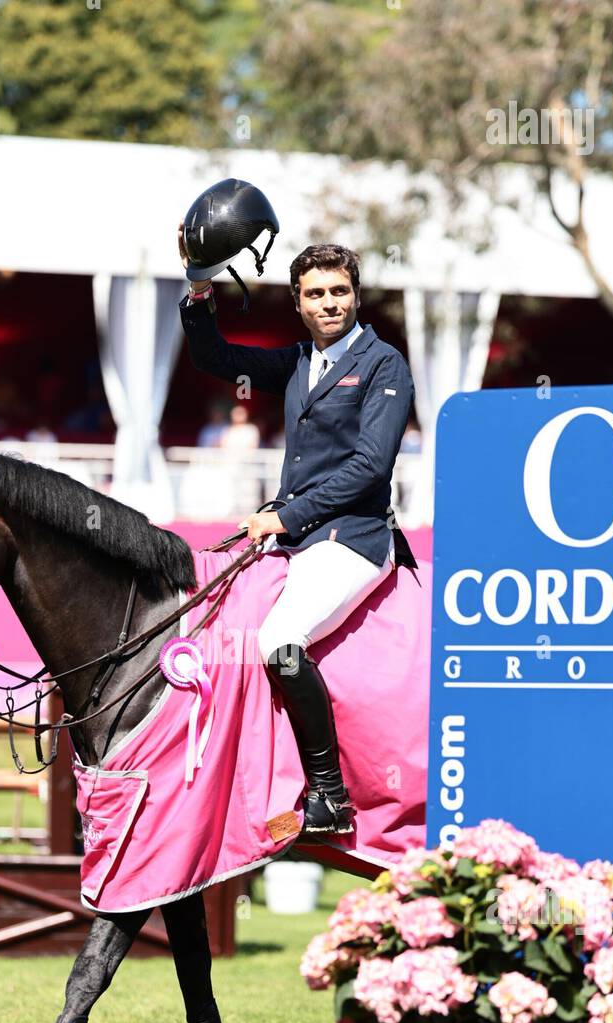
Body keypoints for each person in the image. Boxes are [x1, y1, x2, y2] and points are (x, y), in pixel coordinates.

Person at [178, 226, 417, 836]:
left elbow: (371, 466)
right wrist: (200, 284)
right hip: (298, 540)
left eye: (339, 291)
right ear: (298, 302)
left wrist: (283, 516)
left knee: (278, 641)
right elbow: (216, 358)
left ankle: (331, 796)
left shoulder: (385, 364)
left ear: (356, 295)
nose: (329, 303)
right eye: (315, 294)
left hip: (353, 540)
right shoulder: (299, 361)